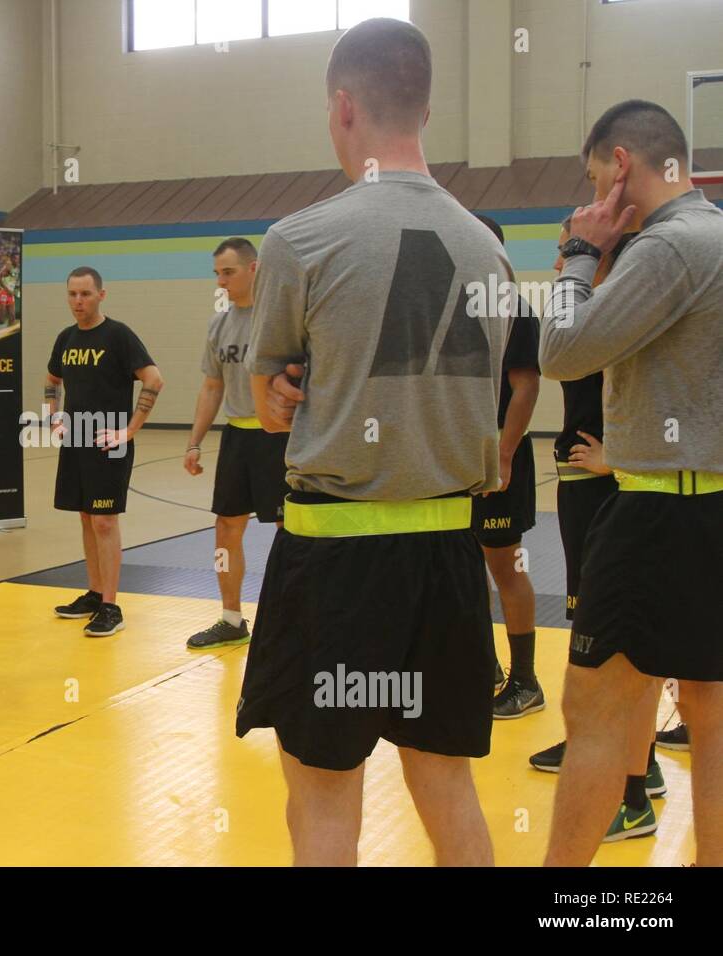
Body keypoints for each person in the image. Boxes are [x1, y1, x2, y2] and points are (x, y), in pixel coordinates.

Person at [236, 18, 507, 866]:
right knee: (450, 795)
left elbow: (270, 399)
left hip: (337, 565)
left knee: (322, 806)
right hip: (449, 564)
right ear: (425, 109)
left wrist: (283, 389)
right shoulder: (490, 250)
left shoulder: (300, 239)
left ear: (344, 105)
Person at [539, 100, 723, 866]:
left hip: (656, 518)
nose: (591, 199)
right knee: (710, 719)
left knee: (595, 718)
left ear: (621, 166)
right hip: (707, 505)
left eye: (593, 179)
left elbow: (561, 350)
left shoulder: (668, 246)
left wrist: (581, 253)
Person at [527, 220, 668, 843]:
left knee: (614, 646)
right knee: (608, 643)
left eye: (573, 253)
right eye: (563, 253)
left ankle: (630, 785)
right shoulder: (587, 313)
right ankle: (623, 765)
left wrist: (621, 459)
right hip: (583, 487)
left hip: (607, 489)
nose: (563, 263)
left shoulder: (614, 315)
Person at [46, 267, 164, 637]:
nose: (78, 301)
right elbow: (52, 380)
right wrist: (53, 418)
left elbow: (154, 379)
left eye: (85, 294)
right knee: (85, 517)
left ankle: (112, 606)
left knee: (104, 521)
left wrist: (130, 430)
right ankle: (95, 594)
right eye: (72, 294)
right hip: (76, 440)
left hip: (107, 442)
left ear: (101, 295)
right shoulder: (65, 338)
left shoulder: (118, 335)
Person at [183, 237, 286, 649]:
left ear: (254, 269)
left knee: (289, 530)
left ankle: (290, 617)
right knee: (226, 527)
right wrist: (194, 443)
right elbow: (212, 386)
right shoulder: (219, 322)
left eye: (228, 272)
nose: (221, 280)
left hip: (278, 437)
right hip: (237, 438)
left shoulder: (279, 319)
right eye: (217, 273)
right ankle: (231, 618)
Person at [469, 215, 543, 719]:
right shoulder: (459, 309)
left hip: (498, 458)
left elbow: (526, 385)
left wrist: (503, 453)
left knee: (505, 563)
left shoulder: (514, 306)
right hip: (458, 460)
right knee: (464, 561)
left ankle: (525, 680)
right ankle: (485, 666)